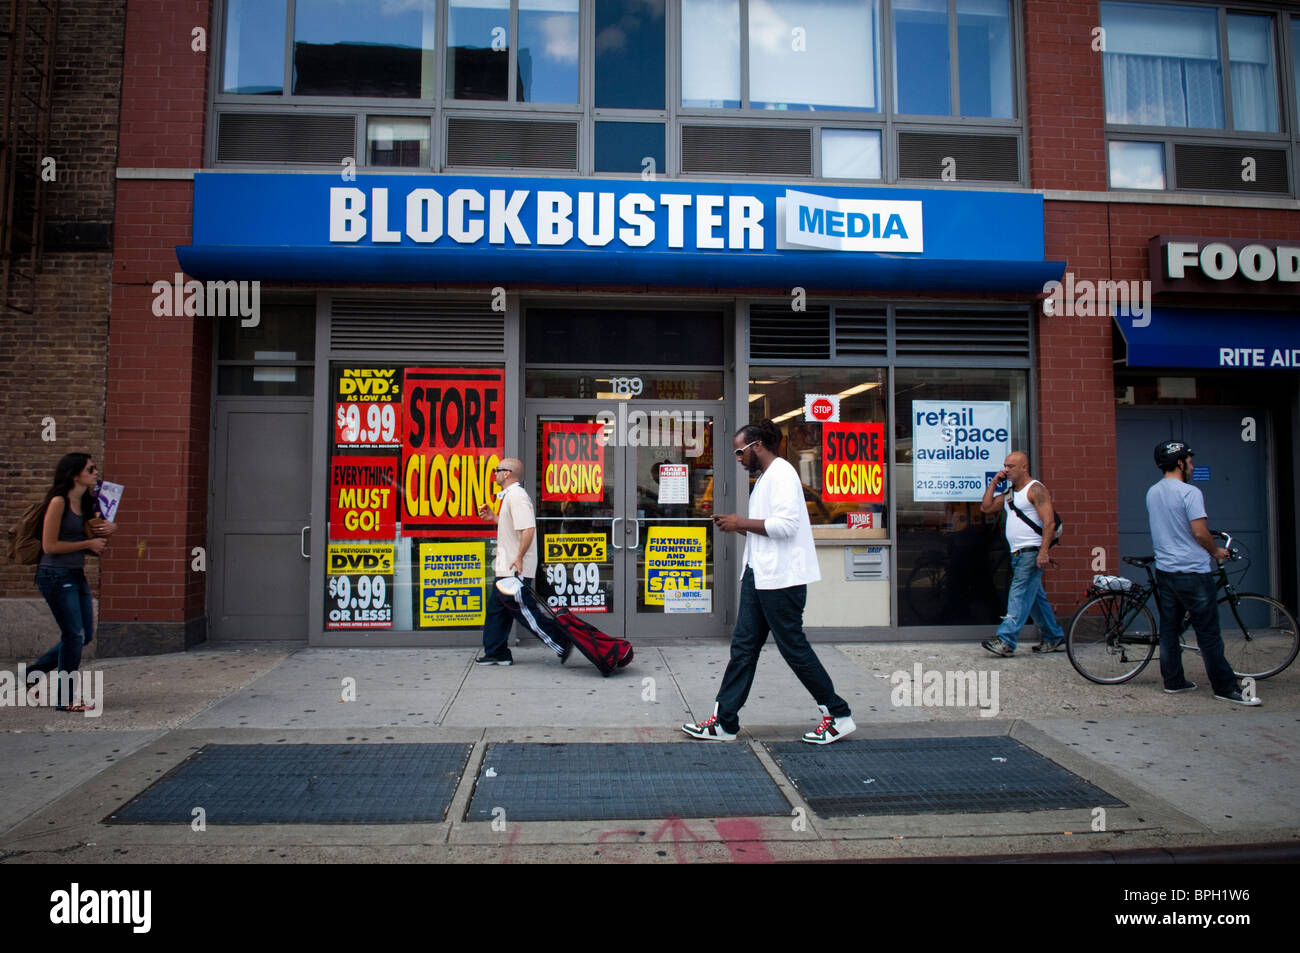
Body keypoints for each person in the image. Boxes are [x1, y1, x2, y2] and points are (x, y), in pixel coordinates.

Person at [682, 420, 855, 744]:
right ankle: (724, 722)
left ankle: (838, 714)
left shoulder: (783, 474)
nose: (738, 457)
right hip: (760, 575)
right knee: (744, 647)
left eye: (739, 451)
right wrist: (738, 527)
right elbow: (770, 530)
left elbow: (787, 526)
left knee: (793, 647)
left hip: (781, 579)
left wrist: (740, 521)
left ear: (757, 445)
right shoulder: (766, 478)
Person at [1146, 441, 1260, 705]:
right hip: (1192, 572)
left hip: (1166, 571)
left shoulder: (1153, 492)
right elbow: (1199, 532)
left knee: (1170, 630)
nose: (1192, 465)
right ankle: (1225, 688)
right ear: (1179, 463)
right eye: (1189, 461)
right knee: (1208, 634)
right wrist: (1215, 551)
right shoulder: (1190, 492)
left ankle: (1173, 681)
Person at [27, 453, 116, 710]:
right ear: (75, 474)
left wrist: (110, 529)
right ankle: (65, 700)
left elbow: (96, 533)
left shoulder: (87, 503)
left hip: (75, 574)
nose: (95, 472)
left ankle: (31, 674)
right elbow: (49, 545)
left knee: (84, 634)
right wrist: (88, 543)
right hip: (54, 575)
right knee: (73, 635)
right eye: (90, 468)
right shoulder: (58, 502)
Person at [979, 451, 1065, 657]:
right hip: (1017, 553)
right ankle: (1054, 636)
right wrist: (993, 484)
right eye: (1005, 466)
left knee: (1018, 593)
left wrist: (1043, 551)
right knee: (1034, 599)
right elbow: (986, 507)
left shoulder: (1035, 489)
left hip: (1031, 551)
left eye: (1011, 467)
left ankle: (1006, 640)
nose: (1006, 470)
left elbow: (1049, 522)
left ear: (1024, 467)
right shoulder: (1010, 494)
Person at [475, 457, 539, 666]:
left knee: (526, 614)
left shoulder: (517, 497)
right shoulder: (510, 497)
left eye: (497, 470)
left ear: (507, 473)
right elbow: (514, 526)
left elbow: (528, 529)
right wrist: (494, 517)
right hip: (509, 567)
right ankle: (497, 652)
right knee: (498, 610)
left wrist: (519, 558)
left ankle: (563, 641)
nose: (494, 473)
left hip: (514, 569)